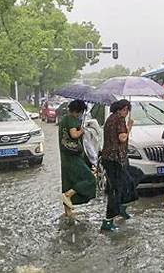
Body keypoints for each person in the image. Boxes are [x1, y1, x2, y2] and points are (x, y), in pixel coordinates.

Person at [100, 99, 138, 231]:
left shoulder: (110, 118)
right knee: (116, 189)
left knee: (127, 181)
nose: (126, 113)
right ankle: (108, 220)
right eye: (125, 110)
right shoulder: (119, 120)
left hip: (111, 159)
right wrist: (129, 127)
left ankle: (121, 208)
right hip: (115, 160)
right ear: (120, 109)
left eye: (127, 110)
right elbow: (122, 138)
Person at [59, 100, 96, 218]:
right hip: (73, 156)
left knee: (68, 182)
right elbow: (74, 134)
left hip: (65, 155)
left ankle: (68, 213)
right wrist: (82, 130)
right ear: (78, 110)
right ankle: (68, 195)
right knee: (90, 179)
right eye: (81, 112)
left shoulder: (64, 119)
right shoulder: (71, 119)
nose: (81, 114)